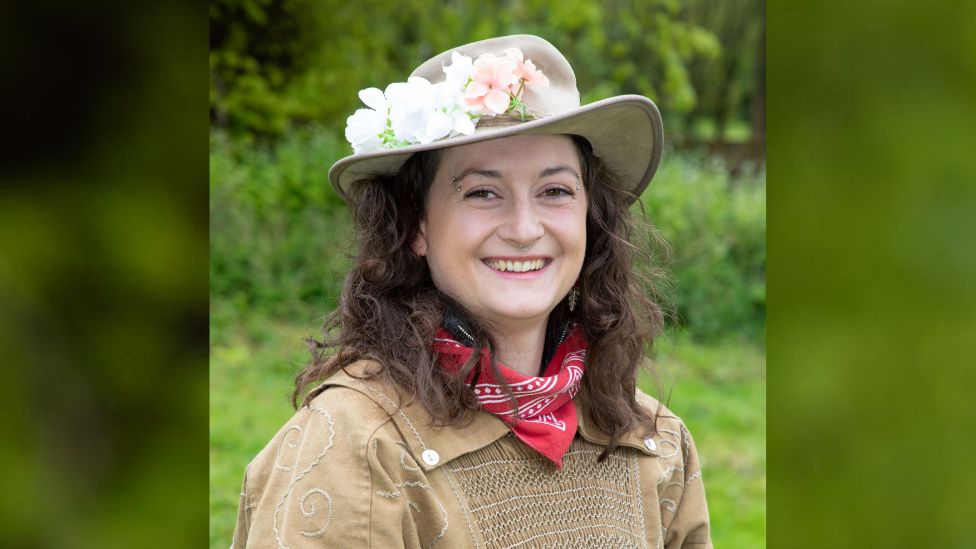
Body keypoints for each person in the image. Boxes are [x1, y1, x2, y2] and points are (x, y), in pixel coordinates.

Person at [232, 34, 711, 548]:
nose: (525, 228)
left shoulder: (654, 440)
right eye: (483, 192)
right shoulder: (356, 444)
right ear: (416, 226)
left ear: (590, 219)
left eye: (555, 191)